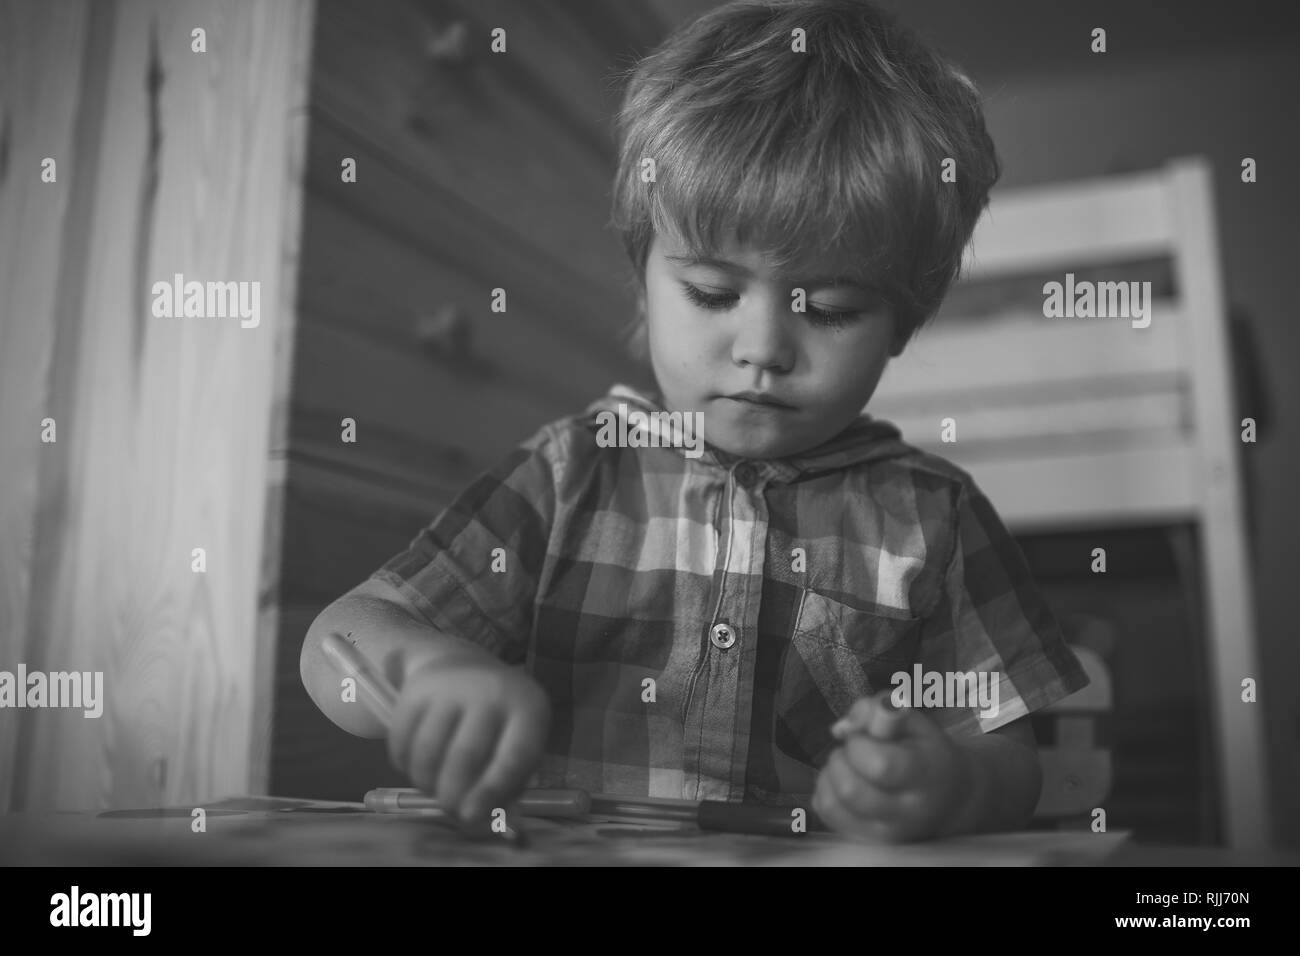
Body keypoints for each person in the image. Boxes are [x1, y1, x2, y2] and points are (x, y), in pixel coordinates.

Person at [301, 0, 1089, 842]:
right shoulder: (572, 473)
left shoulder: (938, 517)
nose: (763, 349)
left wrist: (949, 783)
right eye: (713, 294)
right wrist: (427, 672)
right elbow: (337, 641)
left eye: (827, 309)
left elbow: (1011, 762)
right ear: (641, 277)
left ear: (902, 323)